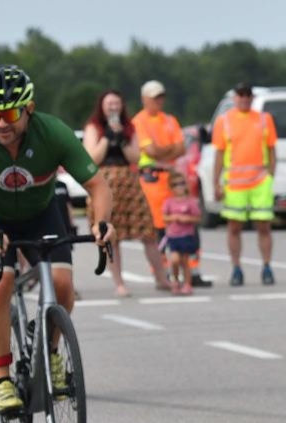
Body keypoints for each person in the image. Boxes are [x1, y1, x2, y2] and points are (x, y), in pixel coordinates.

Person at [0, 65, 113, 412]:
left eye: (9, 113)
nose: (0, 124)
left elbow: (97, 185)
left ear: (29, 108)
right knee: (0, 282)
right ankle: (1, 380)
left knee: (62, 283)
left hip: (41, 213)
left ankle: (52, 351)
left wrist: (102, 223)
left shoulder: (52, 132)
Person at [82, 89, 169, 296]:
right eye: (109, 104)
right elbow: (91, 158)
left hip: (127, 182)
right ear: (101, 106)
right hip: (103, 181)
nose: (113, 107)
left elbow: (135, 158)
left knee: (148, 232)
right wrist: (107, 138)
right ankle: (119, 283)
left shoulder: (130, 128)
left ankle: (161, 277)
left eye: (117, 104)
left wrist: (121, 138)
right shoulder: (93, 127)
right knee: (111, 235)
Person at [211, 82, 278, 286]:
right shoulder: (225, 121)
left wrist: (270, 175)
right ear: (235, 98)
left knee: (263, 226)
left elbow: (272, 149)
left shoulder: (264, 119)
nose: (244, 98)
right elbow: (219, 154)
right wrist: (216, 183)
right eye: (241, 95)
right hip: (235, 183)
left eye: (248, 95)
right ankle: (236, 267)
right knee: (234, 227)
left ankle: (266, 266)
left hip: (259, 182)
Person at [132, 80, 185, 269]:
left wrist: (164, 152)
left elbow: (181, 148)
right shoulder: (139, 121)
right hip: (152, 182)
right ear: (144, 98)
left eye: (161, 97)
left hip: (172, 181)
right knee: (158, 227)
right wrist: (169, 151)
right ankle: (161, 269)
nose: (159, 101)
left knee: (180, 224)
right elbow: (151, 150)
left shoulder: (170, 120)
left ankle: (186, 268)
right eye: (154, 97)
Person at [162, 170, 201, 295]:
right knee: (174, 260)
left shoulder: (190, 202)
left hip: (186, 236)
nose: (179, 187)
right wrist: (173, 218)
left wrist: (187, 219)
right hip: (173, 236)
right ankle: (175, 280)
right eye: (175, 185)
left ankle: (187, 284)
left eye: (181, 184)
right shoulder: (169, 202)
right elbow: (164, 217)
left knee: (185, 262)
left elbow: (197, 217)